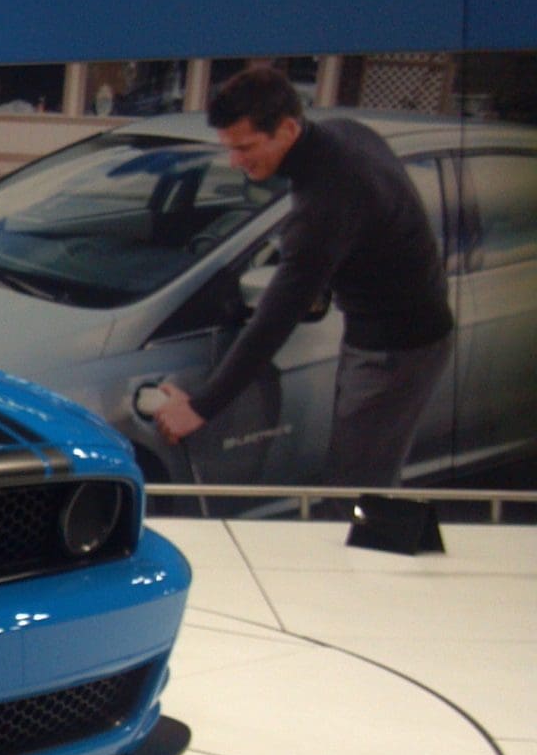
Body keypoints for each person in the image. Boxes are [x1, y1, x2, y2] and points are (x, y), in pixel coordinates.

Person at [153, 67, 454, 490]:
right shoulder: (343, 134)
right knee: (363, 475)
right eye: (229, 148)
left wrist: (201, 407)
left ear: (288, 128)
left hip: (396, 349)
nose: (236, 161)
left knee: (354, 490)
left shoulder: (325, 200)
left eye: (246, 147)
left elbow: (275, 317)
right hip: (399, 329)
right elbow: (377, 225)